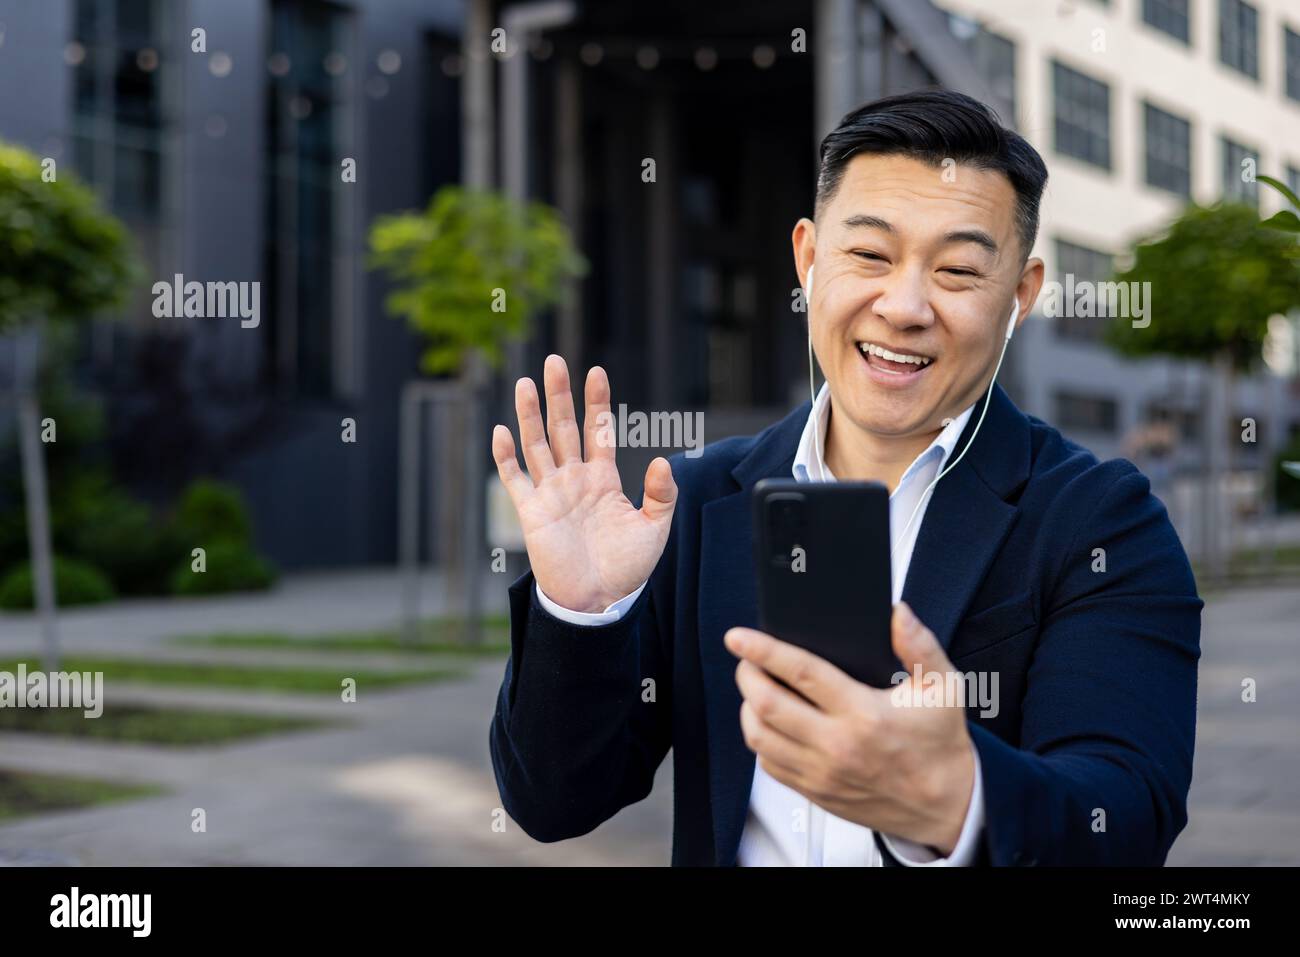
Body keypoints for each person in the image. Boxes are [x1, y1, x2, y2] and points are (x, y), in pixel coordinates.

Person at [488, 90, 1202, 866]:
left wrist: (958, 800)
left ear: (1020, 296)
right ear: (808, 257)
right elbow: (555, 802)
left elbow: (1126, 810)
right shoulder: (697, 503)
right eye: (869, 254)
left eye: (959, 269)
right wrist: (582, 614)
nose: (903, 306)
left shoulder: (1101, 521)